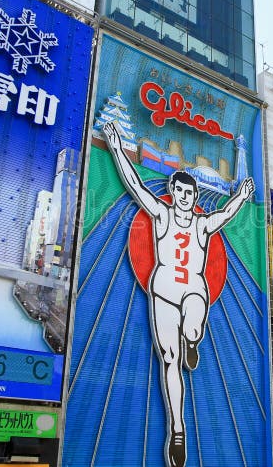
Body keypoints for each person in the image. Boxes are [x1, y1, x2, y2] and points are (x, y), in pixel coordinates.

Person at [103, 121, 254, 467]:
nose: (185, 197)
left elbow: (224, 214)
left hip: (193, 290)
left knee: (194, 324)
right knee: (170, 361)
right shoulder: (161, 215)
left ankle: (192, 339)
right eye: (181, 191)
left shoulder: (201, 225)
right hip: (163, 292)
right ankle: (177, 428)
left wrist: (242, 196)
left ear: (195, 197)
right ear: (173, 191)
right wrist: (116, 147)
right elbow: (136, 185)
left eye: (190, 193)